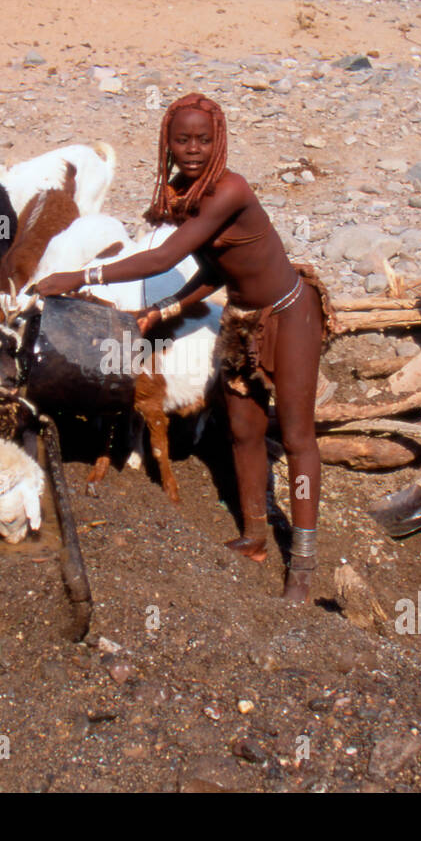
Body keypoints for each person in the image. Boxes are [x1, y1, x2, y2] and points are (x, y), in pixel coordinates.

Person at [35, 93, 335, 603]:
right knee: (243, 428)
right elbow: (216, 269)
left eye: (203, 139)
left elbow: (165, 255)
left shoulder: (230, 190)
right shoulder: (185, 191)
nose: (193, 149)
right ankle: (256, 537)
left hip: (290, 314)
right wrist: (166, 309)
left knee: (298, 435)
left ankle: (303, 567)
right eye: (182, 139)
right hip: (243, 320)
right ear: (167, 143)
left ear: (219, 141)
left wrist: (80, 274)